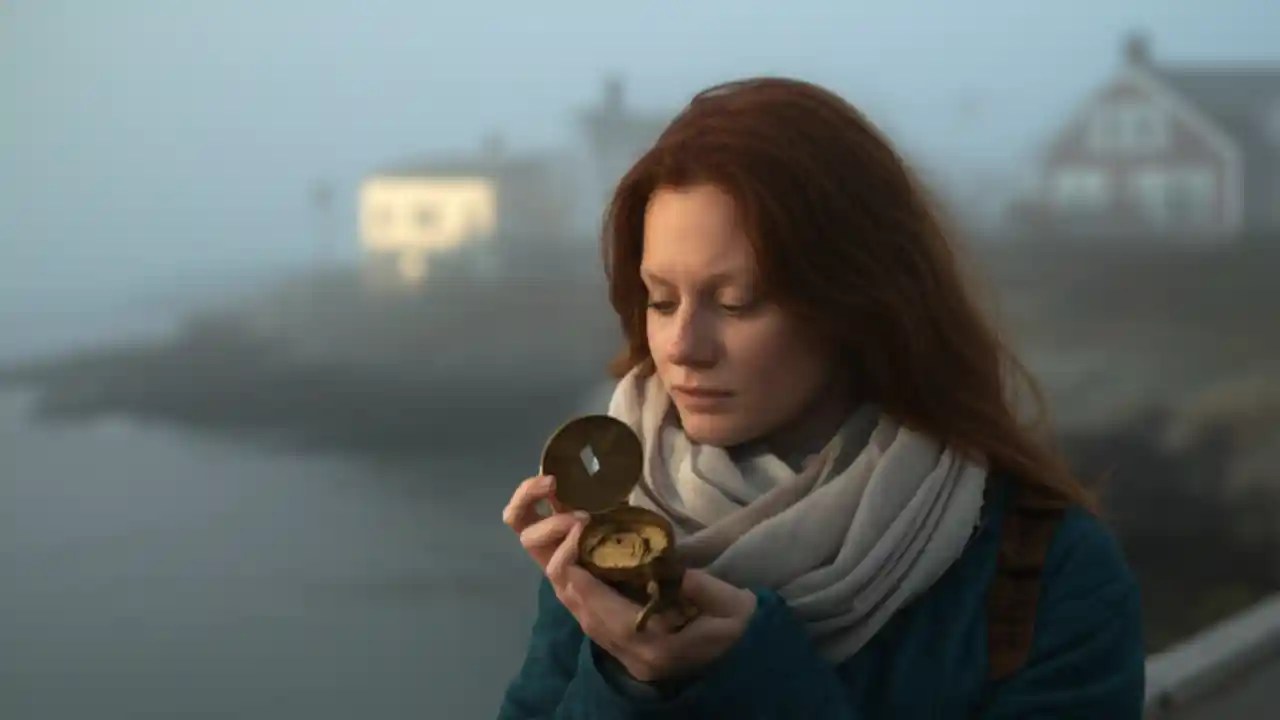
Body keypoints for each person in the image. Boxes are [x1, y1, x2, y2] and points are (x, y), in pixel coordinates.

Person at [497, 77, 1144, 718]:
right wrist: (628, 681)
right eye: (661, 301)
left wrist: (755, 678)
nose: (682, 346)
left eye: (735, 303)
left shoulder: (1046, 573)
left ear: (855, 303)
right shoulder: (618, 532)